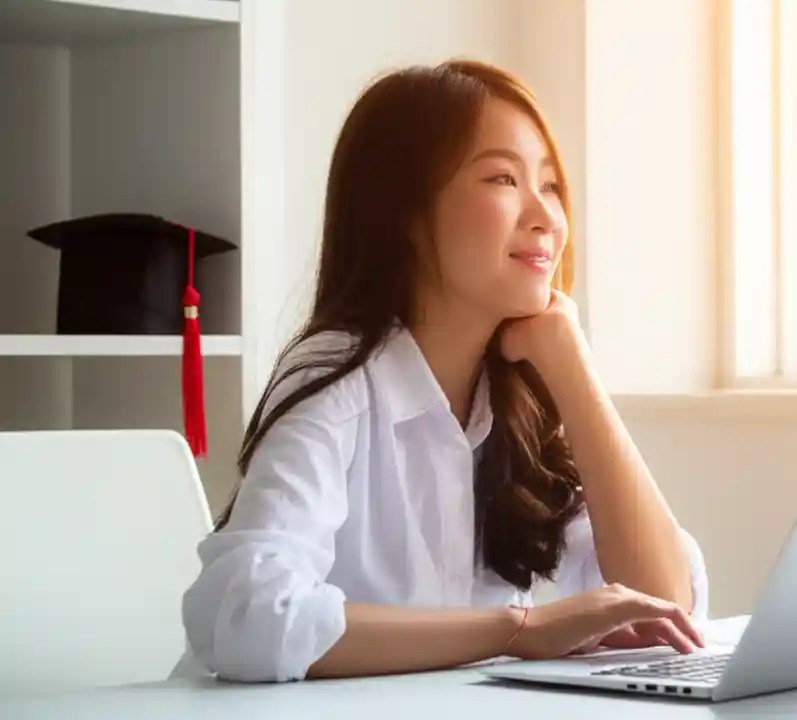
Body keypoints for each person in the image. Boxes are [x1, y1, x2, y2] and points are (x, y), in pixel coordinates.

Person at [175, 60, 709, 683]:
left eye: (553, 185)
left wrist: (573, 365)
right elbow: (246, 616)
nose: (545, 217)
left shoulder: (517, 398)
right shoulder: (337, 377)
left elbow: (668, 611)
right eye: (505, 179)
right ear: (403, 211)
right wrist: (516, 631)